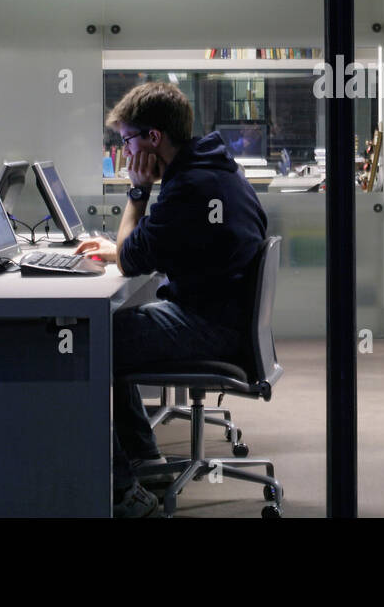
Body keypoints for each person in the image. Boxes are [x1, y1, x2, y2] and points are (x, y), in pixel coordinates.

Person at [76, 81, 268, 517]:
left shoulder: (188, 188)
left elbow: (128, 261)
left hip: (211, 325)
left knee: (90, 344)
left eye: (127, 140)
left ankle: (125, 492)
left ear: (153, 138)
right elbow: (146, 247)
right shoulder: (214, 166)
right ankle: (146, 461)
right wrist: (125, 247)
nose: (124, 151)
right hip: (224, 315)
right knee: (113, 331)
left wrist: (137, 192)